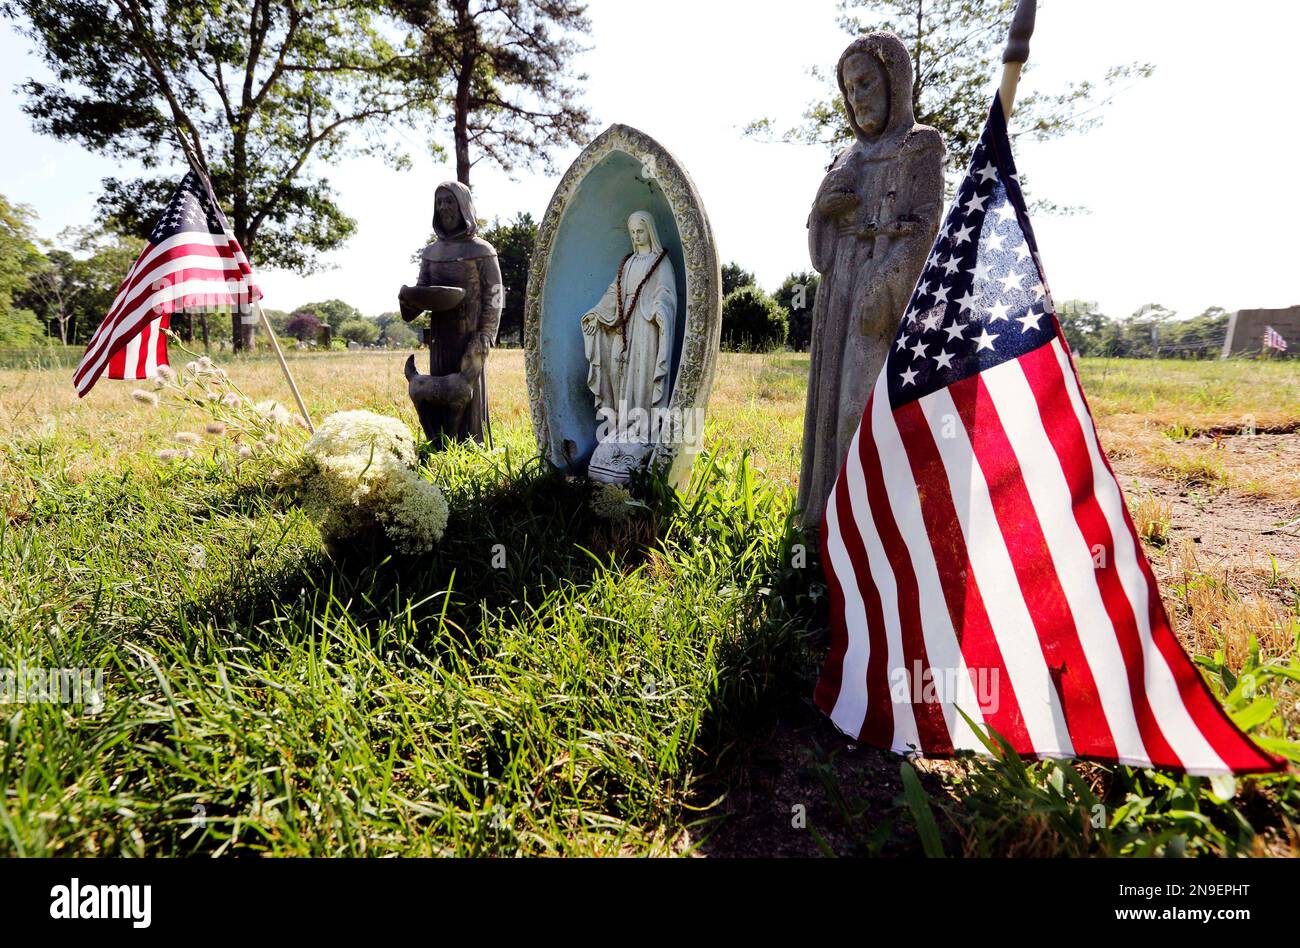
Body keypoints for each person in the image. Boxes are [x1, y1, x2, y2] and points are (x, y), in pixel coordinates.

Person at [798, 32, 945, 527]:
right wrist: (824, 210)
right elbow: (816, 242)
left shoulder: (919, 145)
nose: (858, 97)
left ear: (895, 81)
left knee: (858, 413)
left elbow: (925, 221)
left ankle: (869, 527)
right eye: (849, 89)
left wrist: (885, 285)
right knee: (829, 411)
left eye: (866, 82)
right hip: (838, 294)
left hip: (879, 300)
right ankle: (824, 520)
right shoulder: (847, 158)